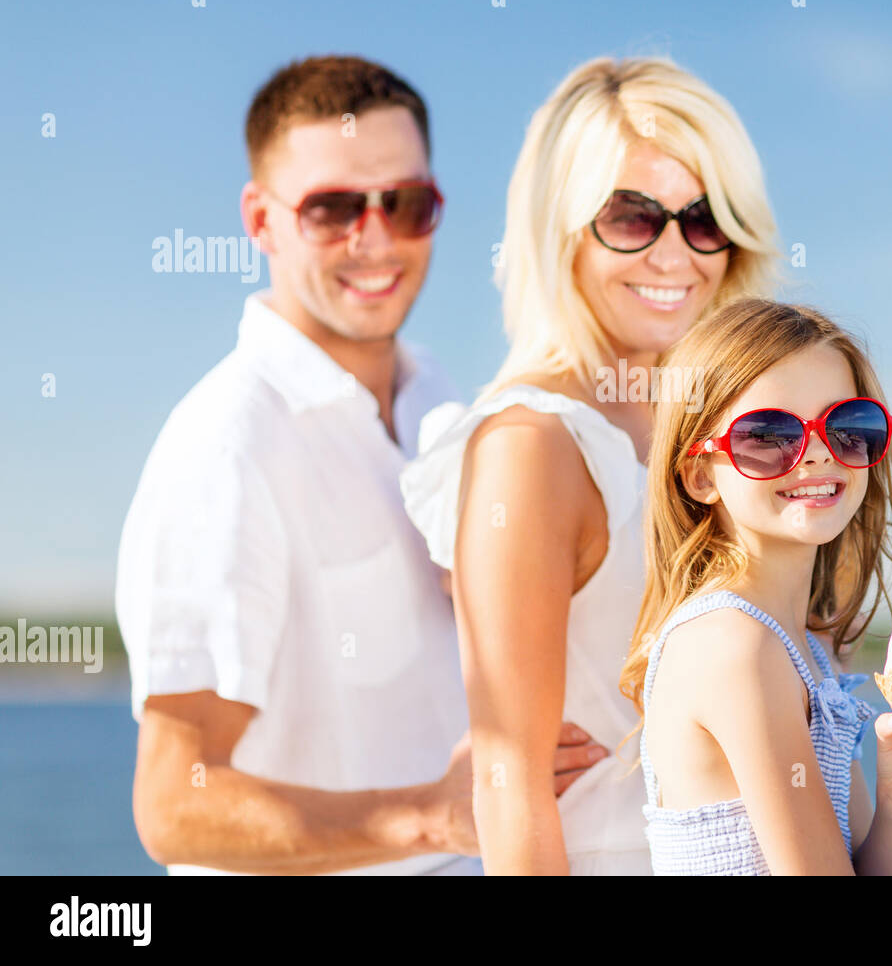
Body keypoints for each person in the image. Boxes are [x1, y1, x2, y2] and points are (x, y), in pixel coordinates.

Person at [116, 55, 604, 876]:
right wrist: (429, 818)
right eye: (333, 208)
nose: (374, 237)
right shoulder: (227, 445)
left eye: (405, 204)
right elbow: (172, 805)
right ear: (261, 221)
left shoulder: (439, 397)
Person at [401, 57, 784, 874]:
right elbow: (511, 793)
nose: (676, 254)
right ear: (561, 226)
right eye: (633, 217)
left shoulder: (745, 427)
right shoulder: (531, 446)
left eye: (705, 218)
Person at [621, 298, 892, 875]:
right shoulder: (733, 646)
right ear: (698, 475)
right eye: (768, 434)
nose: (817, 453)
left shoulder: (802, 649)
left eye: (847, 426)